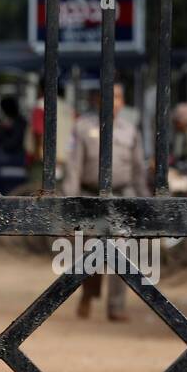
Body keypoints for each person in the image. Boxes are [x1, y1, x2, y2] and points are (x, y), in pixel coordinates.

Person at [63, 78, 149, 321]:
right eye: (108, 97)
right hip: (90, 196)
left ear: (123, 102)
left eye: (118, 97)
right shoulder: (82, 127)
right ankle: (88, 294)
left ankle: (116, 306)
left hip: (122, 197)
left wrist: (144, 204)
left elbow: (137, 171)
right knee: (92, 253)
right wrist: (69, 206)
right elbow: (73, 168)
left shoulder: (130, 130)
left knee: (122, 252)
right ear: (97, 100)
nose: (114, 102)